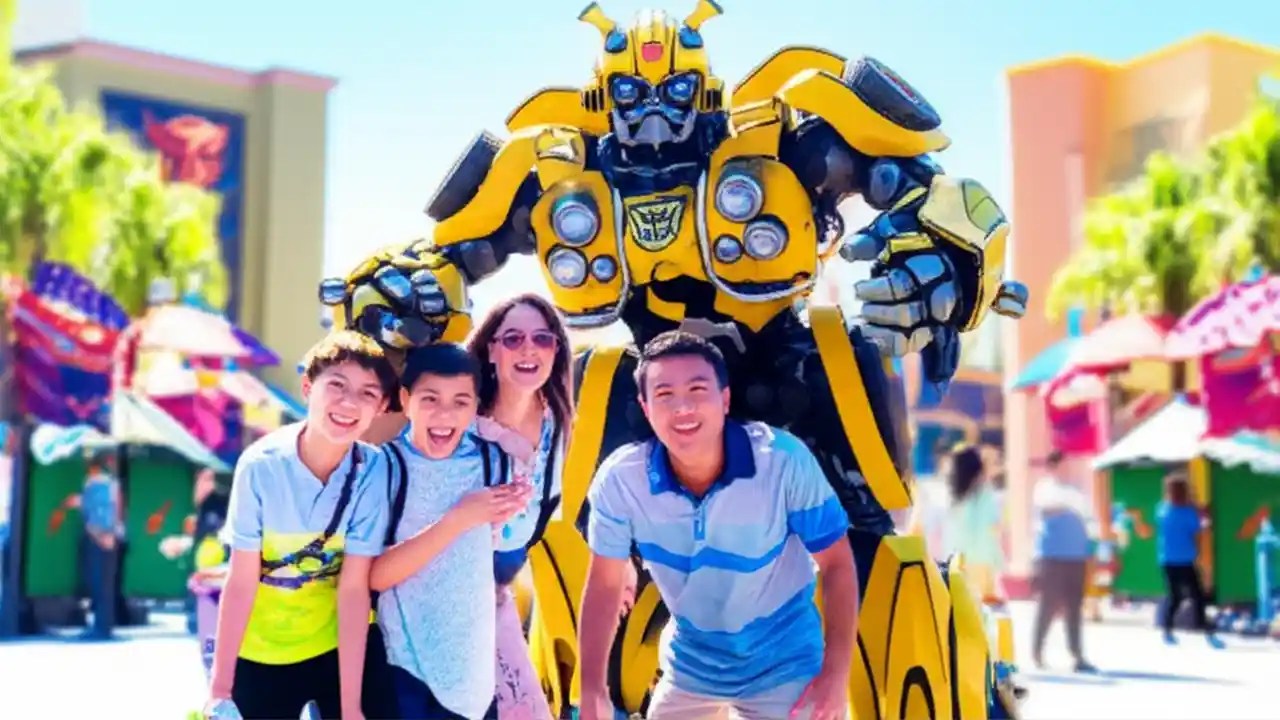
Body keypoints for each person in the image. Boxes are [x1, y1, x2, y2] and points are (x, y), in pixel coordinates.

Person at [578, 331, 859, 720]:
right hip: (691, 666)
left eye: (697, 389)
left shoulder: (783, 461)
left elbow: (837, 564)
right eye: (664, 394)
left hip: (785, 663)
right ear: (645, 407)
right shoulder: (620, 480)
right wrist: (592, 688)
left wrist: (835, 675)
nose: (683, 407)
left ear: (724, 399)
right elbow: (605, 584)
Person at [204, 330, 399, 720]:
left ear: (380, 407)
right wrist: (220, 689)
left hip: (336, 646)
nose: (349, 402)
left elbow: (354, 588)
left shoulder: (373, 469)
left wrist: (350, 707)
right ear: (308, 388)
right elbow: (241, 580)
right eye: (337, 385)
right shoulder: (260, 466)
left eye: (367, 393)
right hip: (262, 651)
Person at [369, 343, 534, 720]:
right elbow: (375, 576)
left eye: (460, 402)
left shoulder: (494, 462)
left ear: (475, 407)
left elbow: (509, 544)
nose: (445, 414)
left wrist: (513, 512)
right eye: (430, 399)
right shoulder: (386, 467)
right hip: (404, 670)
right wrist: (459, 519)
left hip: (473, 674)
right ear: (406, 400)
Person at [465, 293, 583, 720]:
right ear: (491, 350)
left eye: (542, 339)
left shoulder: (558, 419)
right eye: (513, 339)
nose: (528, 349)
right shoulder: (459, 419)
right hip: (449, 585)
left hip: (503, 582)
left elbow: (564, 506)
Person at [1030, 450, 1097, 673]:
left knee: (1074, 606)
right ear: (1052, 466)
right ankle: (1038, 651)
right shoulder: (1044, 488)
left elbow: (1088, 518)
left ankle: (1077, 654)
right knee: (1047, 605)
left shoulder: (1077, 490)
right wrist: (1069, 509)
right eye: (1063, 465)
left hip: (1076, 555)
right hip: (1052, 555)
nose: (1067, 469)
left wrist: (1091, 548)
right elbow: (1047, 510)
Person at [1156, 471, 1222, 647]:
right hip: (1186, 559)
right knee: (1197, 596)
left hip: (1167, 559)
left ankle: (1167, 631)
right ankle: (1208, 632)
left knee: (1175, 597)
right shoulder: (1189, 512)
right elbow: (1199, 529)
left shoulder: (1161, 509)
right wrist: (1203, 512)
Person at [940, 444, 1005, 605]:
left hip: (956, 562)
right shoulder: (984, 493)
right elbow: (991, 528)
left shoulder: (951, 496)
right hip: (982, 562)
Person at [79, 453, 123, 640]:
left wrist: (99, 533)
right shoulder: (112, 484)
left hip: (98, 537)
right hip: (110, 537)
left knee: (98, 583)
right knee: (105, 585)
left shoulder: (94, 484)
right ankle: (104, 625)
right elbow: (116, 510)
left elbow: (95, 512)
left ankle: (100, 627)